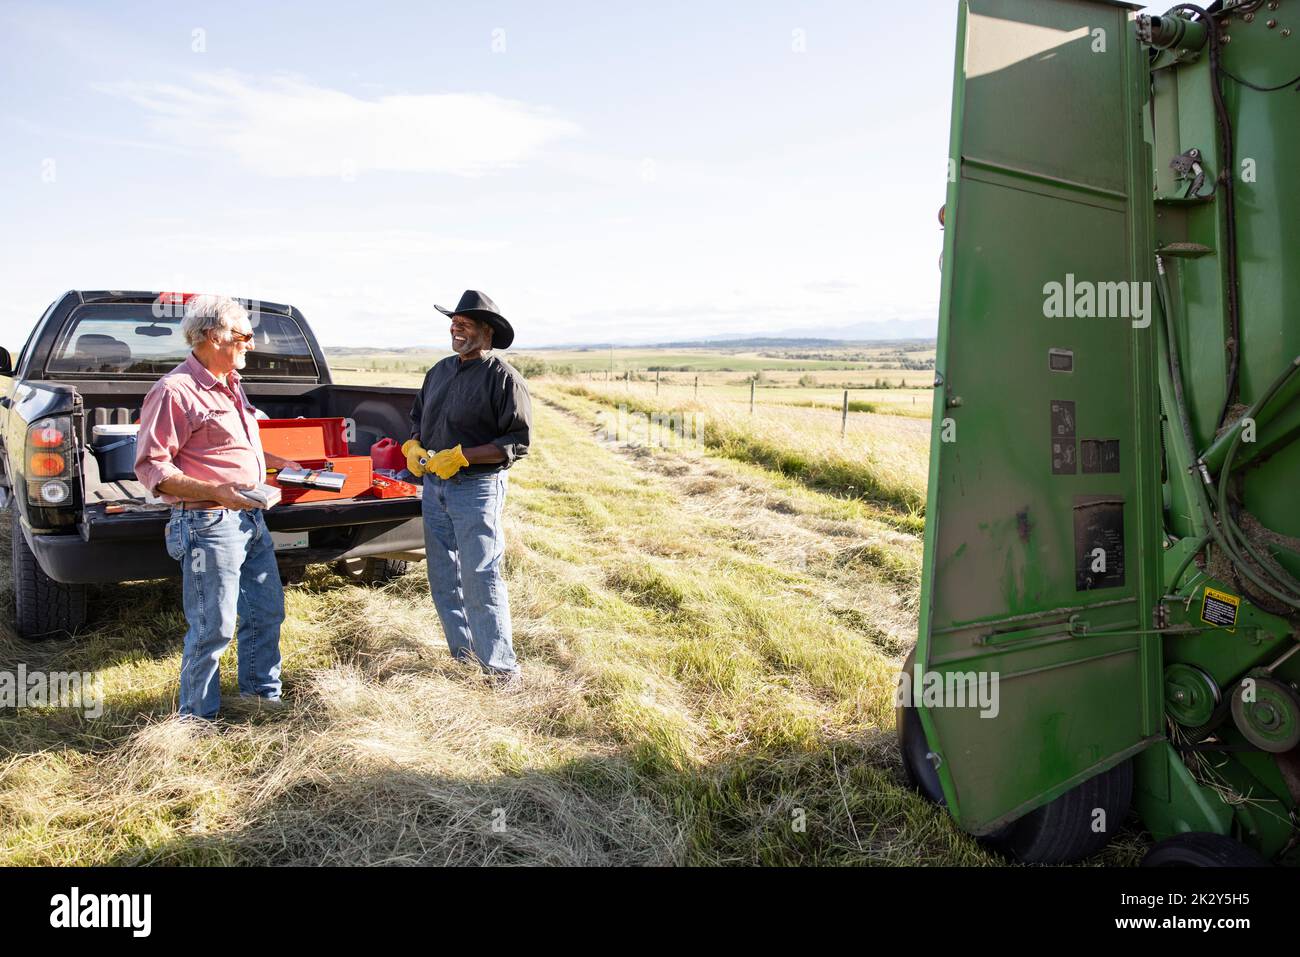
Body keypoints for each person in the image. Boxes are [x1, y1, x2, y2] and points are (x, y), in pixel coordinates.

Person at [134, 295, 301, 719]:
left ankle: (261, 701)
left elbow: (234, 445)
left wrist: (284, 465)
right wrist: (217, 490)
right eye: (244, 336)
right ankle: (195, 719)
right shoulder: (175, 391)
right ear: (214, 336)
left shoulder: (231, 384)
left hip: (249, 516)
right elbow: (152, 466)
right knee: (214, 628)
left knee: (266, 613)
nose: (251, 344)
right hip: (208, 521)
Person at [406, 290, 531, 686]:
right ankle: (464, 657)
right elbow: (417, 421)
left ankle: (500, 669)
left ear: (487, 331)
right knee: (443, 575)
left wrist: (463, 456)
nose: (455, 327)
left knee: (481, 575)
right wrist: (413, 446)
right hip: (433, 488)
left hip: (475, 489)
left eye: (465, 322)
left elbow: (517, 442)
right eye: (454, 321)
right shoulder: (438, 371)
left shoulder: (503, 378)